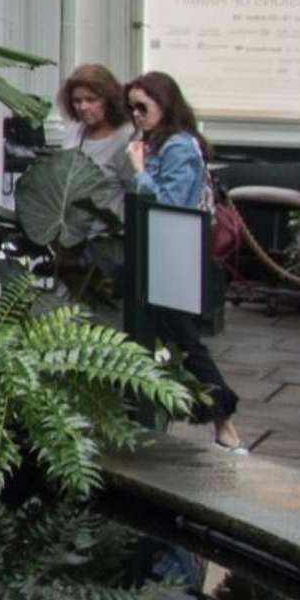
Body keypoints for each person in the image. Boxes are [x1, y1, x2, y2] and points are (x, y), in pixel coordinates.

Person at [126, 70, 243, 452]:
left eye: (143, 107)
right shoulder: (155, 141)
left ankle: (224, 418)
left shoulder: (177, 146)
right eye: (132, 109)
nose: (137, 116)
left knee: (186, 341)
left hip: (175, 254)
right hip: (157, 251)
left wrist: (140, 171)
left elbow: (170, 203)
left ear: (165, 104)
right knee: (174, 338)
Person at [61, 64, 138, 215]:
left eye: (91, 100)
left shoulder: (127, 138)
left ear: (108, 100)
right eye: (77, 101)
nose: (83, 107)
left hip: (110, 232)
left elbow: (136, 192)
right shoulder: (73, 133)